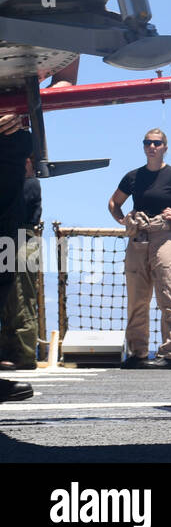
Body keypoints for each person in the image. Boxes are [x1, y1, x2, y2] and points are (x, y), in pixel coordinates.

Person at [0, 58, 78, 401]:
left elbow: (66, 82)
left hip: (12, 148)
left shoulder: (66, 18)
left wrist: (22, 109)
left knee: (4, 271)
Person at [108, 128, 171, 368]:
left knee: (169, 294)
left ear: (165, 147)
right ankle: (137, 353)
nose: (152, 147)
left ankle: (169, 354)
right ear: (143, 146)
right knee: (137, 298)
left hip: (164, 237)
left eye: (157, 143)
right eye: (147, 143)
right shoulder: (133, 176)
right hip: (138, 238)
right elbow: (114, 202)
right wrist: (123, 220)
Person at [1, 158, 42, 370]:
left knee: (22, 298)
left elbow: (14, 208)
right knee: (9, 299)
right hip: (9, 238)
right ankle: (9, 352)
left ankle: (25, 355)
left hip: (22, 238)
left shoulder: (30, 184)